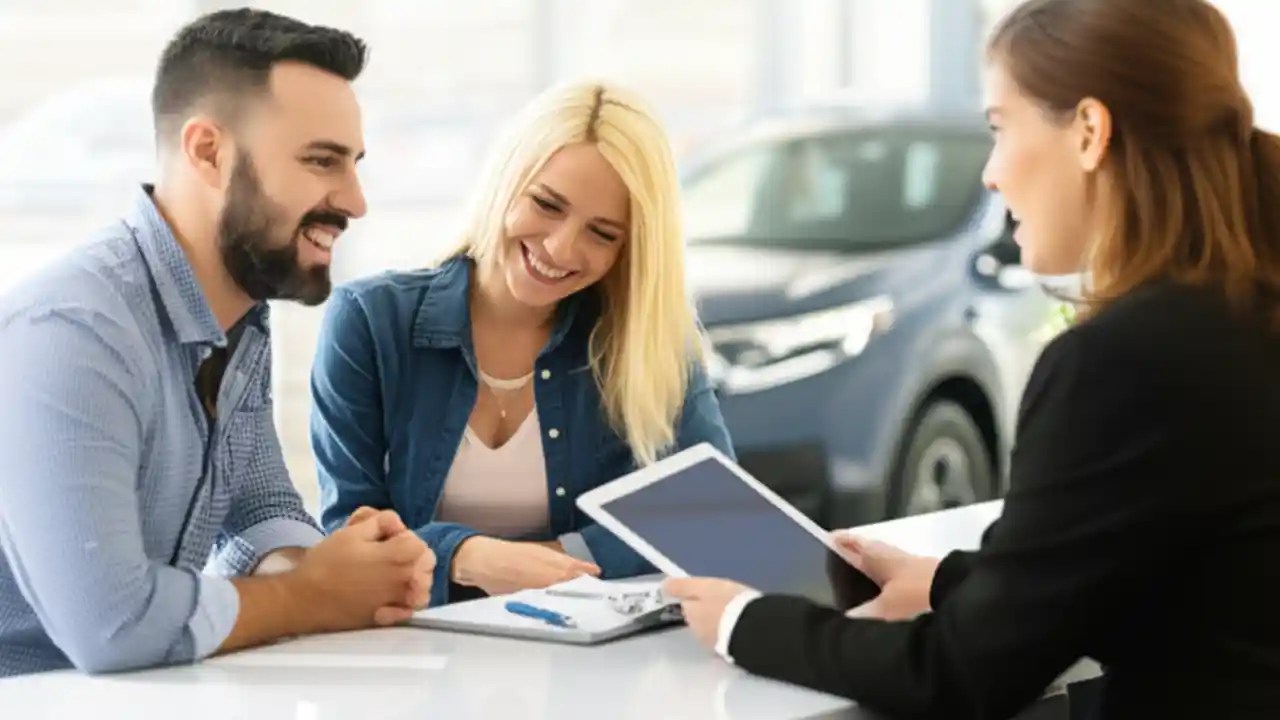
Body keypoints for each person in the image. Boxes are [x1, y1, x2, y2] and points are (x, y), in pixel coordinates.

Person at [664, 0, 1280, 717]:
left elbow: (961, 674)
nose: (991, 174)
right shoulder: (1243, 314)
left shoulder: (1123, 359)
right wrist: (948, 583)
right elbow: (1165, 572)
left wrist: (745, 622)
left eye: (999, 128)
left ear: (1088, 131)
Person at [0, 9, 435, 678]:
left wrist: (337, 569)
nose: (355, 200)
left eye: (353, 164)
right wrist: (310, 595)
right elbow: (112, 627)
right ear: (208, 151)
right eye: (322, 161)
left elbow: (259, 510)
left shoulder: (238, 317)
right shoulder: (72, 331)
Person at [310, 79, 734, 606]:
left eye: (602, 234)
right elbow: (347, 535)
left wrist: (545, 561)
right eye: (547, 204)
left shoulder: (650, 343)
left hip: (589, 656)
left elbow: (711, 513)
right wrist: (469, 557)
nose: (560, 247)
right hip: (418, 651)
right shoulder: (369, 322)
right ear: (507, 181)